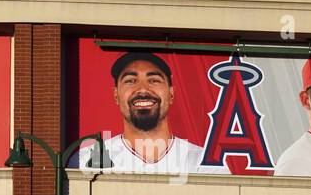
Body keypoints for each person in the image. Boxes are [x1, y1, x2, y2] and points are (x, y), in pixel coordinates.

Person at [77, 51, 216, 174]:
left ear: (171, 94)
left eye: (154, 80)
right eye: (131, 81)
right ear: (116, 95)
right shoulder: (87, 160)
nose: (143, 89)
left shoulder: (203, 162)